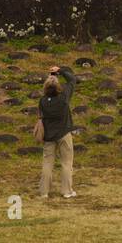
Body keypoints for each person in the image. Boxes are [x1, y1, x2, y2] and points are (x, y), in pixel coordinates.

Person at [38, 64, 77, 198]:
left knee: (47, 163)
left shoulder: (43, 101)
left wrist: (52, 77)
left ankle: (44, 192)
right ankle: (66, 191)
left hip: (49, 135)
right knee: (66, 163)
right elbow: (72, 80)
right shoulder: (64, 97)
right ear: (58, 87)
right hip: (64, 133)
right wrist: (59, 71)